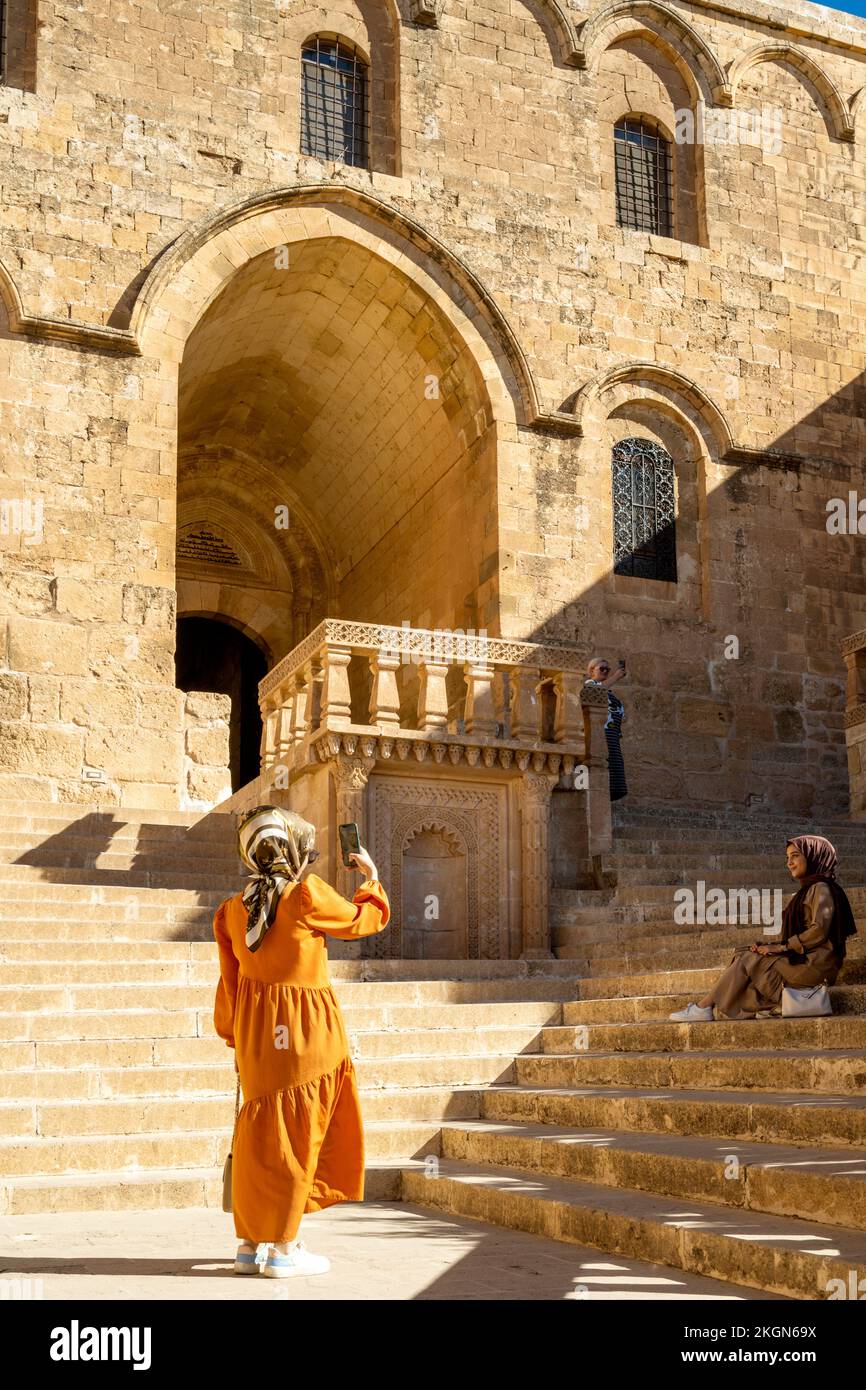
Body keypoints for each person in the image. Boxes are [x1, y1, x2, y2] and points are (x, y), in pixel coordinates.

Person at [213, 804, 390, 1278]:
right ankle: (286, 1248)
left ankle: (250, 1246)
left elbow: (230, 985)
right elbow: (362, 921)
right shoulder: (306, 895)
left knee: (260, 1132)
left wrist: (237, 1038)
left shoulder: (231, 911)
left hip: (257, 1035)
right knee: (299, 1131)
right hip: (307, 1031)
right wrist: (370, 877)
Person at [670, 834, 857, 1022]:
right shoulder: (810, 889)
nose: (789, 863)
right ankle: (713, 1007)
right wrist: (772, 946)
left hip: (814, 966)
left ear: (814, 855)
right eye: (787, 858)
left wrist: (781, 947)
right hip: (806, 960)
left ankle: (704, 1007)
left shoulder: (821, 888)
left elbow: (819, 931)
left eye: (795, 856)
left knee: (748, 958)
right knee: (748, 961)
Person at [584, 656, 628, 800]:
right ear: (591, 671)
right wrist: (616, 676)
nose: (605, 672)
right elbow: (595, 691)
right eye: (601, 668)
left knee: (614, 783)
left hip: (612, 740)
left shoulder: (610, 694)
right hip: (599, 737)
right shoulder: (590, 684)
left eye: (607, 670)